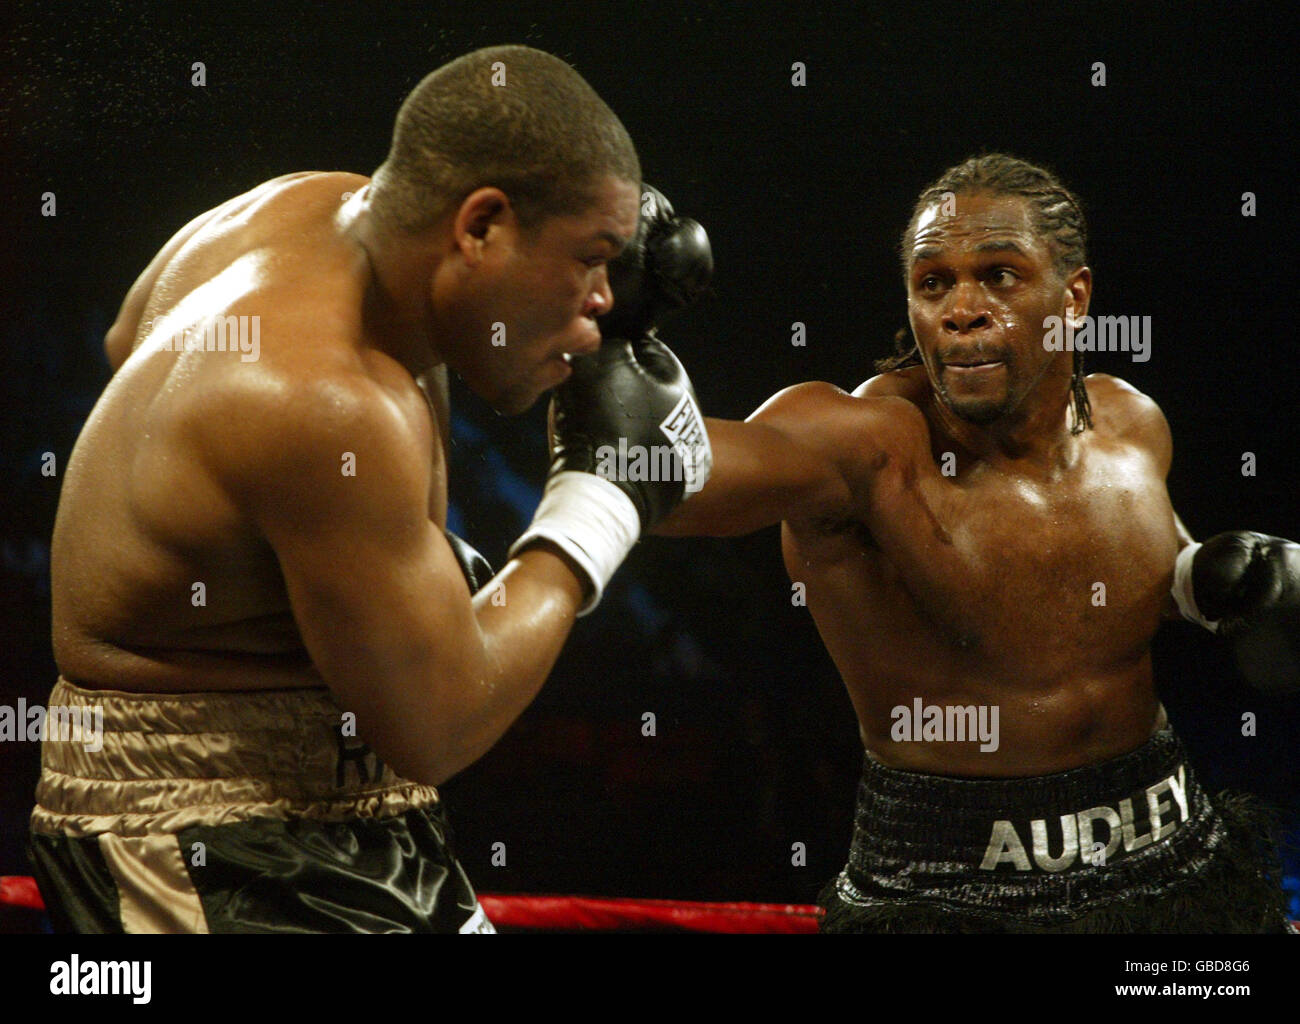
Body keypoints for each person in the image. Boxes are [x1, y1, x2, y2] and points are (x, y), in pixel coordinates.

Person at [30, 44, 712, 933]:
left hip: (343, 800)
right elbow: (437, 727)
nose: (601, 303)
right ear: (481, 227)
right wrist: (600, 502)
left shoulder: (300, 208)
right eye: (590, 260)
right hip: (206, 834)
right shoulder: (329, 401)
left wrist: (298, 557)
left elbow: (134, 340)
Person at [657, 154, 1296, 932]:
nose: (963, 309)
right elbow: (664, 485)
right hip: (948, 895)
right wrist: (607, 326)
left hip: (1176, 858)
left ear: (1075, 297)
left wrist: (1209, 582)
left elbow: (1131, 579)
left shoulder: (1130, 424)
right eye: (935, 284)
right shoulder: (862, 446)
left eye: (999, 276)